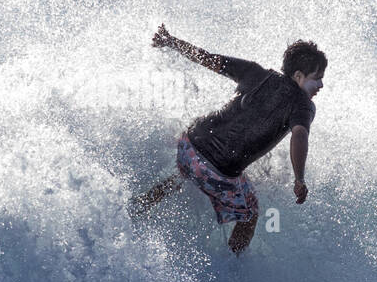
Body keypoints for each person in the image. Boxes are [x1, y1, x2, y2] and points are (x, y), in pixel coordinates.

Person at [129, 25, 326, 254]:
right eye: (317, 78)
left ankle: (140, 205)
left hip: (189, 145)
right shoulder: (303, 105)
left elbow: (208, 58)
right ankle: (234, 264)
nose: (320, 85)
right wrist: (299, 179)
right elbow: (300, 134)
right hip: (216, 173)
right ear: (298, 76)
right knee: (250, 212)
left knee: (187, 171)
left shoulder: (256, 73)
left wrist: (170, 41)